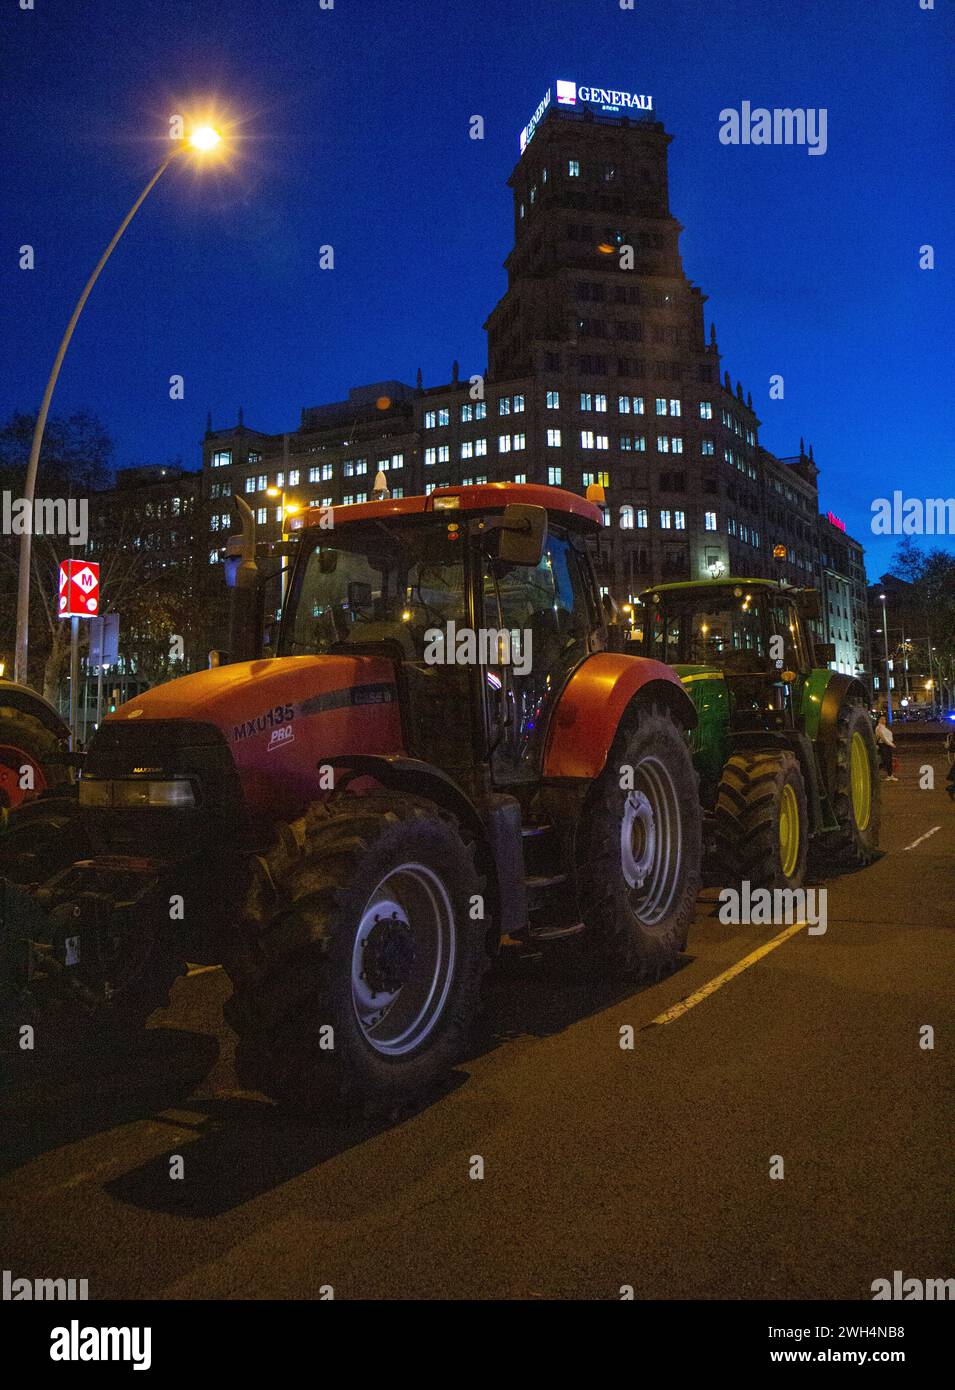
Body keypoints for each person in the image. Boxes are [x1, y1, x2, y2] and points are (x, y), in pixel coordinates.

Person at [874, 714, 897, 781]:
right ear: (878, 720)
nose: (884, 720)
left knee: (888, 761)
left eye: (884, 719)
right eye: (882, 719)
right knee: (885, 761)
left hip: (887, 745)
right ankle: (875, 774)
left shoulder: (884, 727)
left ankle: (890, 775)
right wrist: (890, 744)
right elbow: (882, 738)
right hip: (883, 745)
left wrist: (890, 744)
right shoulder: (878, 728)